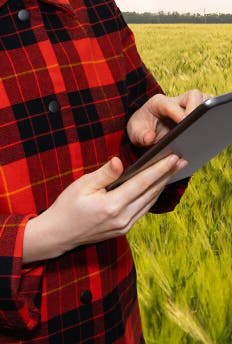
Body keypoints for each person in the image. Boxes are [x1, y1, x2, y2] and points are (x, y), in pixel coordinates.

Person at [0, 0, 206, 341]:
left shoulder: (98, 8)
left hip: (114, 322)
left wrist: (152, 137)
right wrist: (44, 237)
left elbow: (126, 154)